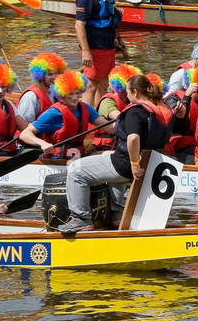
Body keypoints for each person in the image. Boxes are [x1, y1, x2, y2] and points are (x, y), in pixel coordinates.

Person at [63, 75, 173, 233]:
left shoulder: (136, 111)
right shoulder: (161, 112)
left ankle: (80, 219)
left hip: (127, 166)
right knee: (104, 156)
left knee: (75, 169)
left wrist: (134, 163)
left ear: (135, 92)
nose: (127, 96)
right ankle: (117, 214)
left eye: (128, 92)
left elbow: (133, 138)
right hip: (149, 165)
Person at [18, 70, 98, 160]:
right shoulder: (50, 110)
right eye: (71, 94)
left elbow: (109, 127)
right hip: (54, 155)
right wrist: (42, 143)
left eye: (77, 93)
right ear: (62, 95)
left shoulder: (84, 108)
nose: (75, 98)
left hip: (75, 154)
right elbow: (24, 133)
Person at [75, 0, 122, 107]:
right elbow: (79, 25)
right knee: (91, 85)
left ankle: (99, 116)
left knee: (104, 84)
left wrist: (116, 39)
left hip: (107, 45)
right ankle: (88, 122)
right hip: (94, 47)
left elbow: (111, 18)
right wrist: (86, 52)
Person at [163, 66, 198, 161]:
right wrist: (187, 98)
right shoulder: (174, 98)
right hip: (178, 147)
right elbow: (178, 128)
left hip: (197, 143)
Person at [90, 64, 141, 151]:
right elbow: (119, 116)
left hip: (121, 143)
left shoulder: (128, 100)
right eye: (128, 89)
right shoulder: (108, 101)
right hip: (106, 146)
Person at [16, 53, 67, 124]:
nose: (55, 77)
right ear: (41, 76)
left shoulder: (54, 91)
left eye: (57, 73)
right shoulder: (30, 97)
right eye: (50, 74)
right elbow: (24, 124)